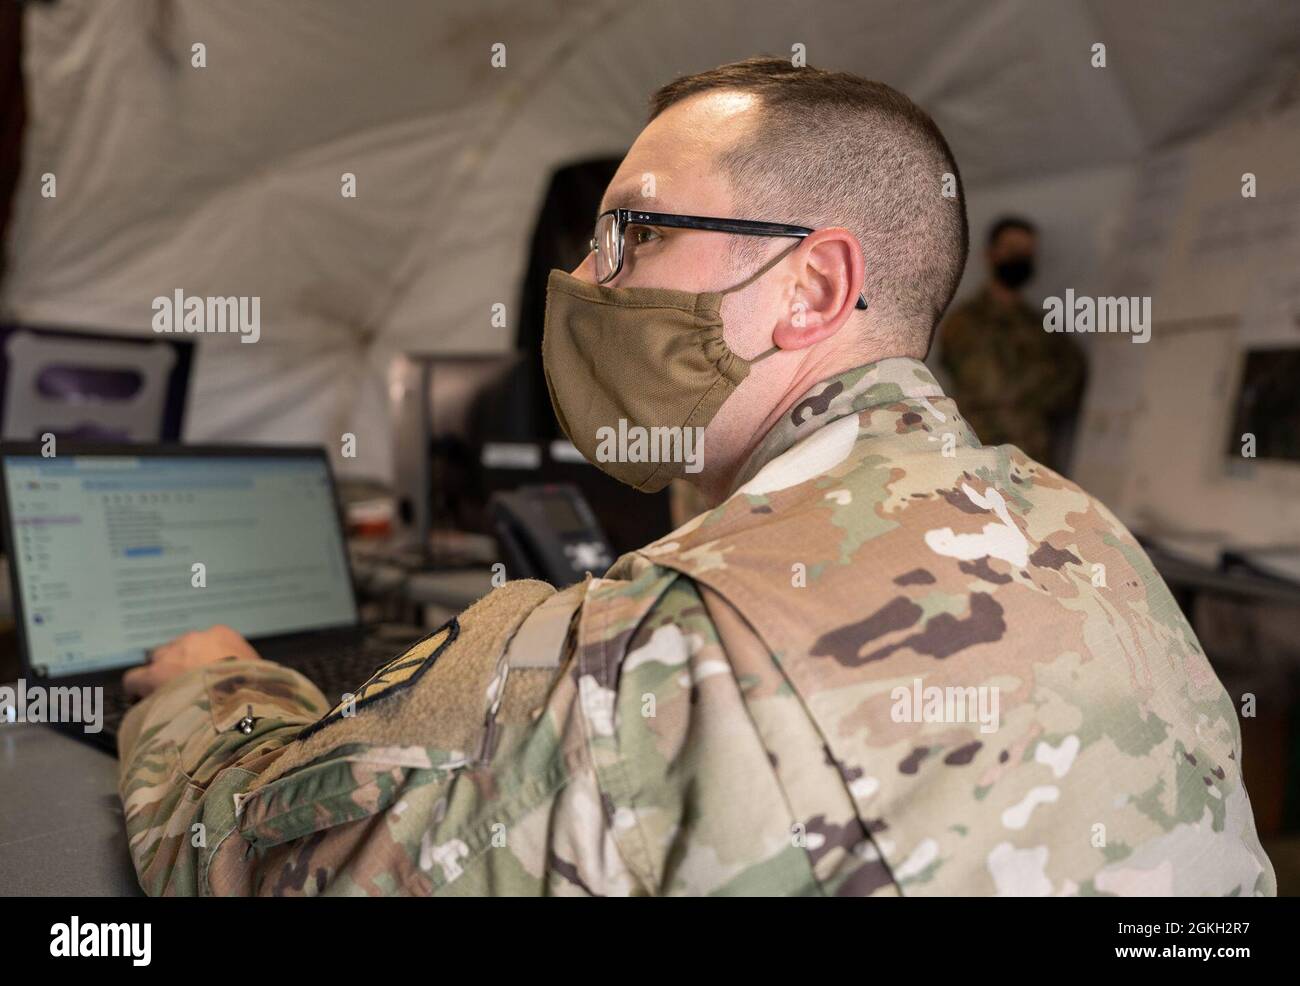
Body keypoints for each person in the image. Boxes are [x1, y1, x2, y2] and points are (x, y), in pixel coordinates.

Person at [117, 58, 1274, 897]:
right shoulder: (1090, 537)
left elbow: (238, 862)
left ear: (813, 290)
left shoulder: (654, 643)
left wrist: (211, 686)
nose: (583, 278)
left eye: (634, 233)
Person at [938, 217, 1086, 470]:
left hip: (1033, 463)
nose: (1020, 257)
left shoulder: (1041, 327)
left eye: (1027, 252)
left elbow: (1072, 379)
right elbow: (989, 385)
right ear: (991, 254)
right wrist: (1040, 381)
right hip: (979, 461)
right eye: (1013, 249)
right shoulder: (965, 321)